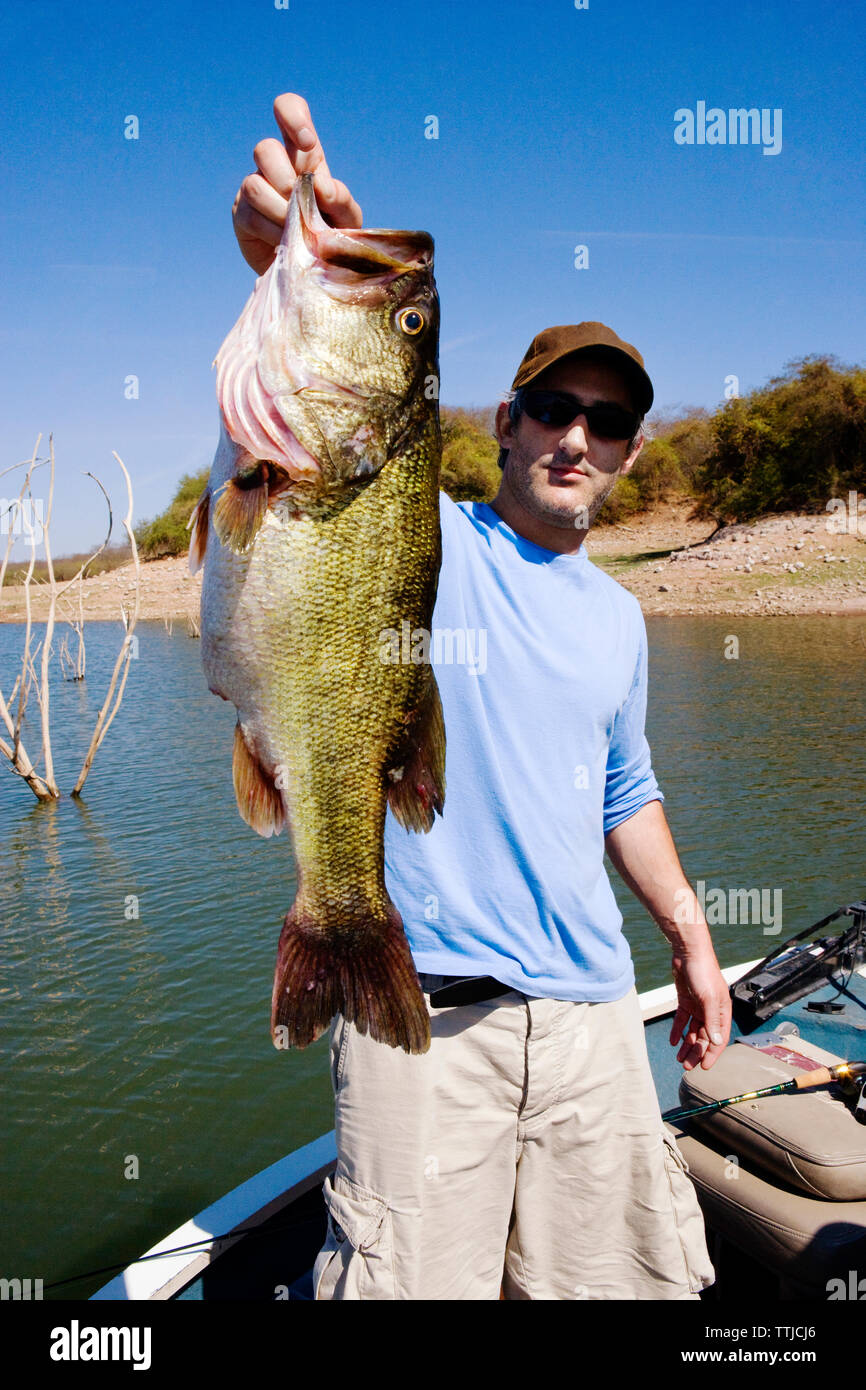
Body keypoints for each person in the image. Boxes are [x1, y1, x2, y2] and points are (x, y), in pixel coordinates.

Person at [232, 94, 732, 1301]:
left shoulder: (619, 618)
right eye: (553, 410)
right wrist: (279, 266)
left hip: (590, 1022)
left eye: (604, 421)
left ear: (625, 452)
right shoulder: (427, 540)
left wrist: (692, 938)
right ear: (504, 423)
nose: (575, 436)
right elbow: (317, 462)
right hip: (425, 1023)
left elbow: (625, 789)